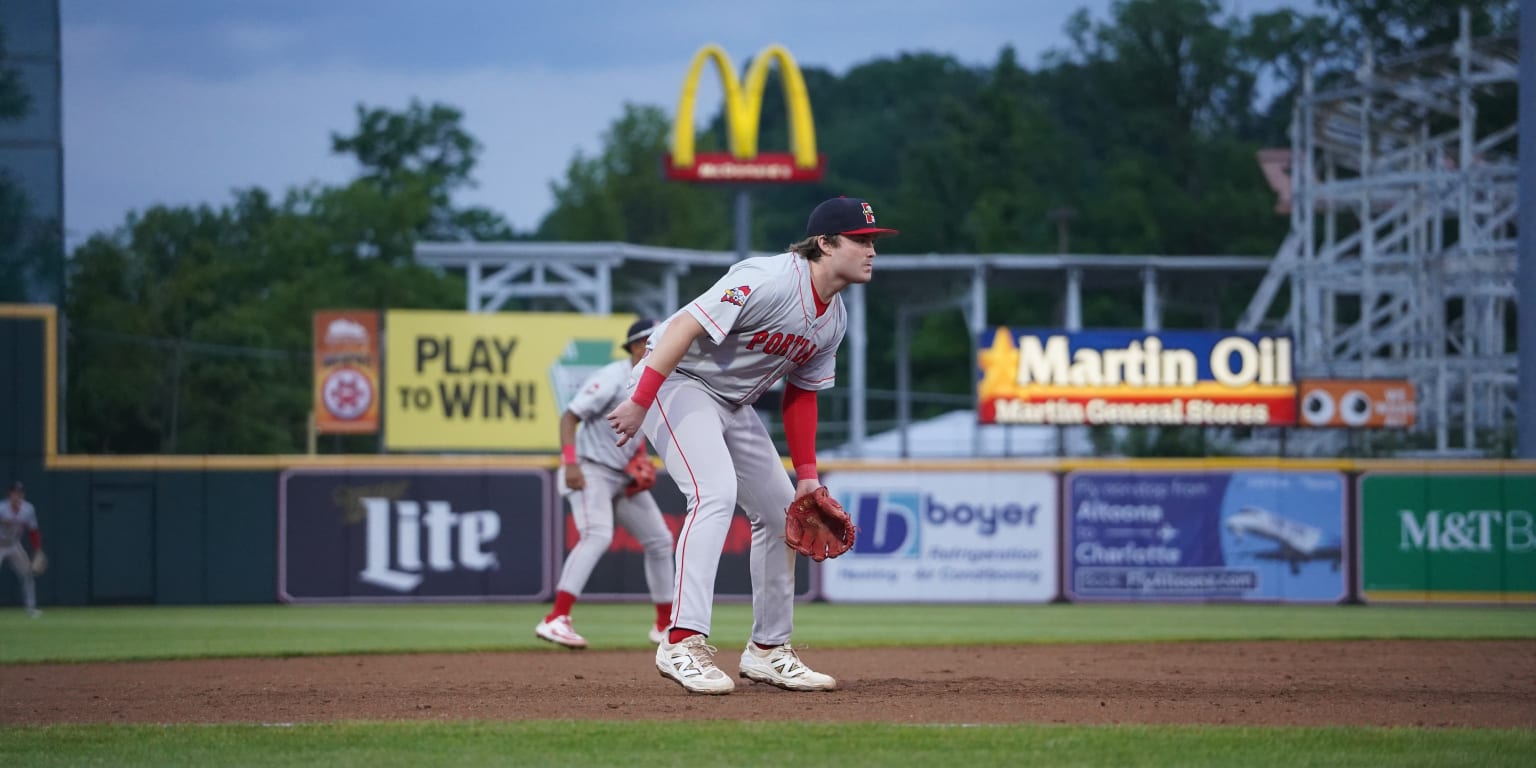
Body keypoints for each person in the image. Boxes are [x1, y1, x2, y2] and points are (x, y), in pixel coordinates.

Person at [606, 196, 897, 694]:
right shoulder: (768, 279)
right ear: (825, 244)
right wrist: (640, 399)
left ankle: (768, 650)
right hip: (676, 380)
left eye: (873, 242)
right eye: (861, 240)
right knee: (713, 494)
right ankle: (680, 641)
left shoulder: (834, 320)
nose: (871, 251)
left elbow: (802, 395)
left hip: (732, 402)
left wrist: (807, 475)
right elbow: (682, 327)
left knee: (785, 510)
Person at [535, 318, 676, 649]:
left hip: (620, 473)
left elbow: (635, 429)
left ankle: (663, 625)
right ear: (640, 345)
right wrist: (569, 462)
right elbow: (569, 417)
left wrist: (638, 459)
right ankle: (556, 618)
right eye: (657, 340)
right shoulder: (612, 378)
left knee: (659, 540)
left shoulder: (656, 380)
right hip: (590, 468)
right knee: (597, 535)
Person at [1, 481, 44, 618]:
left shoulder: (28, 509)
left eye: (20, 493)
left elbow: (33, 531)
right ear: (10, 495)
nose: (17, 496)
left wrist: (37, 550)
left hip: (14, 545)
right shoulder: (1, 508)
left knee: (27, 574)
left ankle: (31, 609)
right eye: (15, 493)